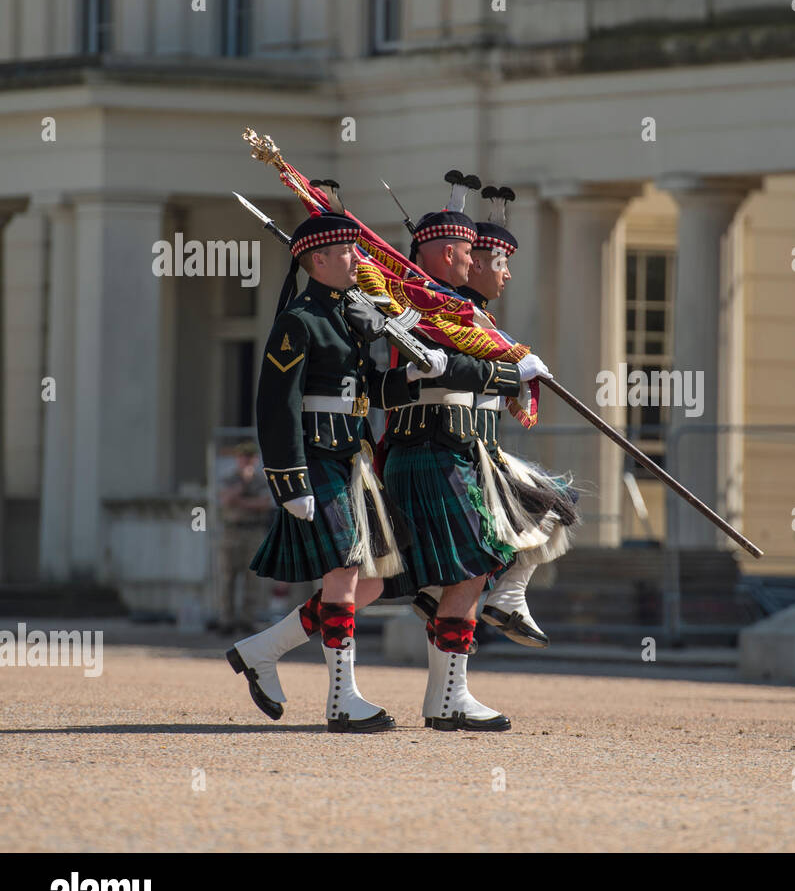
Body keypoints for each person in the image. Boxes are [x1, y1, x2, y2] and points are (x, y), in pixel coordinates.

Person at [226, 212, 445, 732]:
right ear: (316, 259)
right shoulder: (299, 320)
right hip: (318, 458)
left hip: (354, 457)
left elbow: (366, 390)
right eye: (348, 251)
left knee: (374, 578)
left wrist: (411, 375)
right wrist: (288, 478)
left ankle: (263, 649)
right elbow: (277, 403)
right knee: (346, 571)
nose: (358, 259)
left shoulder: (348, 314)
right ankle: (343, 698)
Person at [381, 172, 552, 731]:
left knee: (545, 507)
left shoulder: (457, 310)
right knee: (469, 567)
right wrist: (509, 370)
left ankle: (449, 691)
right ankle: (449, 694)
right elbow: (440, 364)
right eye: (468, 252)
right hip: (434, 446)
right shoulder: (419, 305)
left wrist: (511, 375)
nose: (474, 260)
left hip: (460, 448)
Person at [461, 185, 579, 651]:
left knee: (556, 499)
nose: (506, 274)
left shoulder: (478, 315)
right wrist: (512, 371)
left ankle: (508, 595)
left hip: (482, 447)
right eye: (499, 263)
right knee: (550, 500)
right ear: (475, 263)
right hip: (456, 447)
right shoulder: (452, 313)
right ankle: (506, 596)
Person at [214, 442, 274, 635]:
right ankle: (226, 621)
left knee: (252, 579)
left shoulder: (261, 480)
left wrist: (239, 501)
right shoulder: (229, 478)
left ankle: (247, 620)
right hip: (231, 532)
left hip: (254, 531)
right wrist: (241, 490)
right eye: (243, 457)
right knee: (227, 577)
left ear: (255, 460)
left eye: (250, 457)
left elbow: (264, 504)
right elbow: (225, 499)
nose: (246, 461)